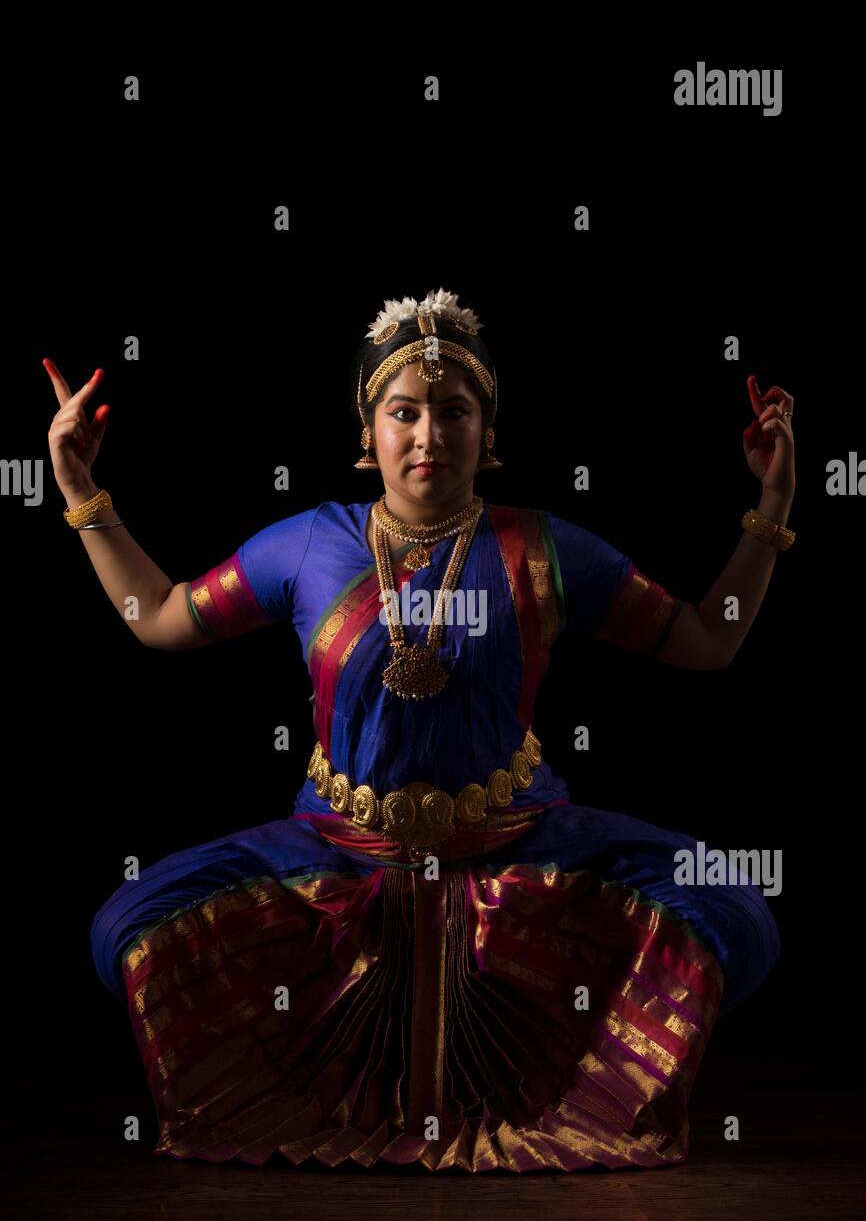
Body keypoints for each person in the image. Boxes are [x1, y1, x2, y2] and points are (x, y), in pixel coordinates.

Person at [44, 287, 794, 1173]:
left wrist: (774, 502)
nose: (429, 436)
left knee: (731, 908)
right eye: (404, 412)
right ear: (369, 432)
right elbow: (159, 616)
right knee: (130, 925)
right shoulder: (307, 545)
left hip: (516, 847)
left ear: (488, 431)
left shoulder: (545, 548)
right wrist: (85, 494)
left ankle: (563, 1088)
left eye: (454, 412)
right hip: (337, 850)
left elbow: (707, 641)